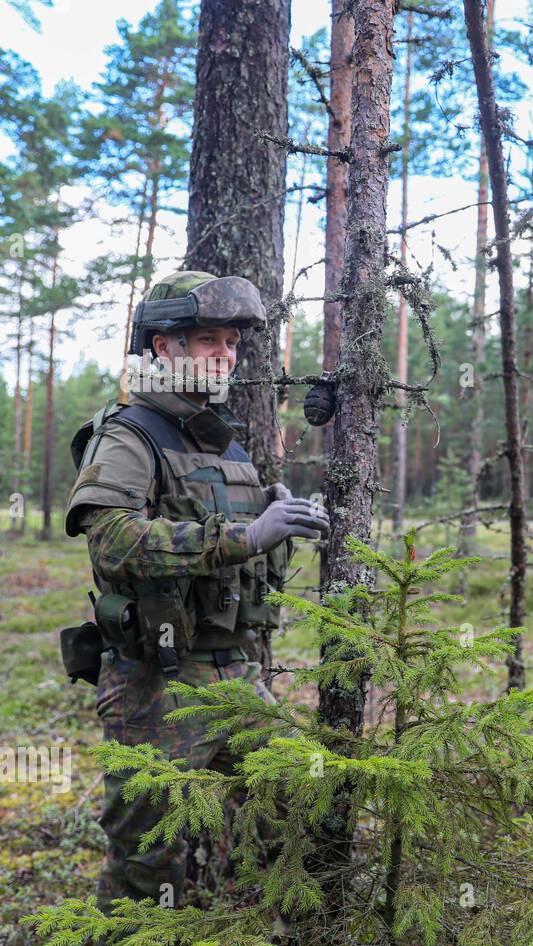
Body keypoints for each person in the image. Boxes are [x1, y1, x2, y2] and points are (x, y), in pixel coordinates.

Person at [65, 270, 330, 911]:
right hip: (154, 683)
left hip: (236, 676)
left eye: (233, 343)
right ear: (163, 347)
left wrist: (281, 512)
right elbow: (113, 543)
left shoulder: (223, 440)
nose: (227, 355)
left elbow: (243, 523)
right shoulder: (131, 434)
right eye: (209, 339)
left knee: (301, 798)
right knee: (148, 856)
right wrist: (244, 535)